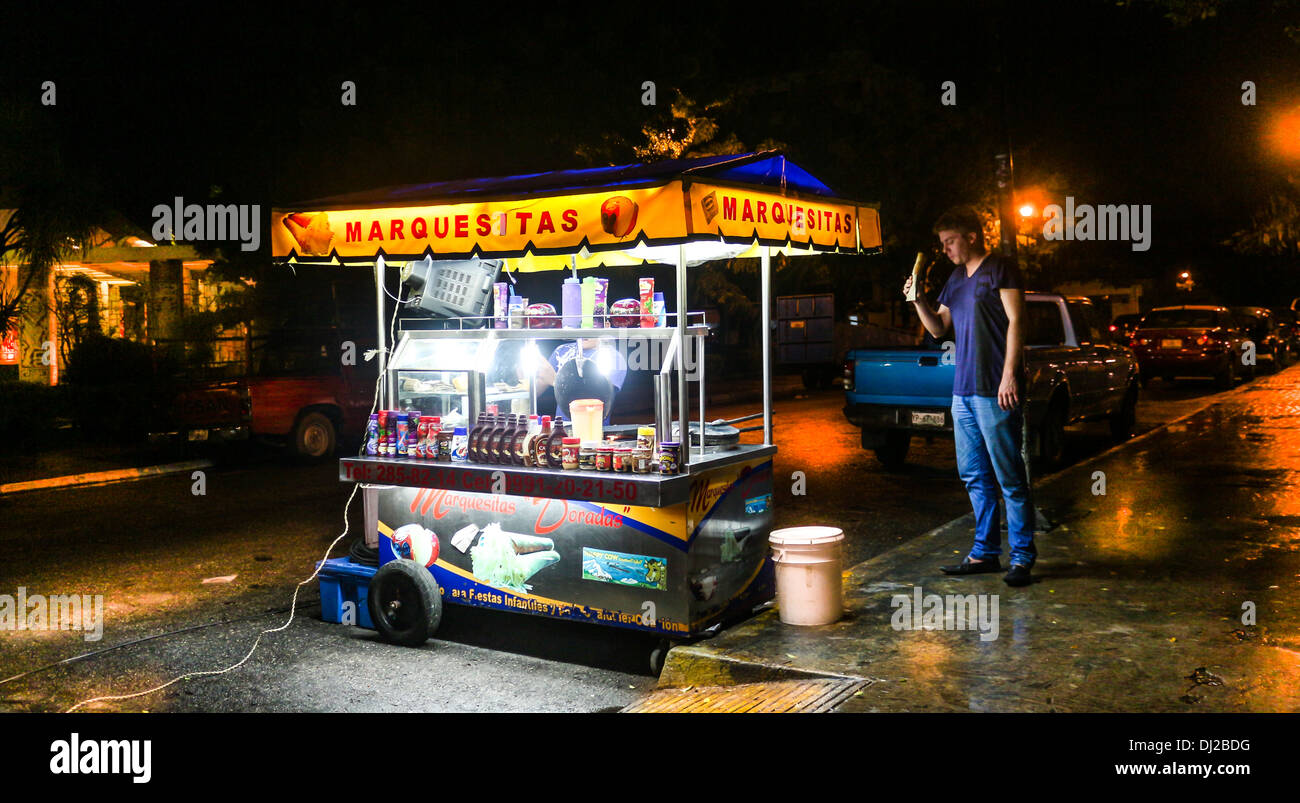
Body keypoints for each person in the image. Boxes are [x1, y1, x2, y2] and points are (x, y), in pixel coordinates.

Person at [904, 207, 1036, 587]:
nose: (945, 249)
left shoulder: (1001, 269)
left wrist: (1010, 374)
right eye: (942, 244)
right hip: (962, 391)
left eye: (950, 242)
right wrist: (918, 300)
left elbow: (1017, 321)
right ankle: (984, 553)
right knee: (974, 475)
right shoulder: (955, 280)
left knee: (1009, 476)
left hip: (995, 388)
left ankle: (1023, 557)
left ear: (972, 237)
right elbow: (939, 329)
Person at [535, 338, 627, 422]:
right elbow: (536, 389)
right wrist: (528, 385)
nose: (585, 332)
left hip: (592, 427)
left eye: (593, 325)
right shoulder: (561, 351)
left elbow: (598, 399)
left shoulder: (613, 357)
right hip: (561, 429)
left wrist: (556, 381)